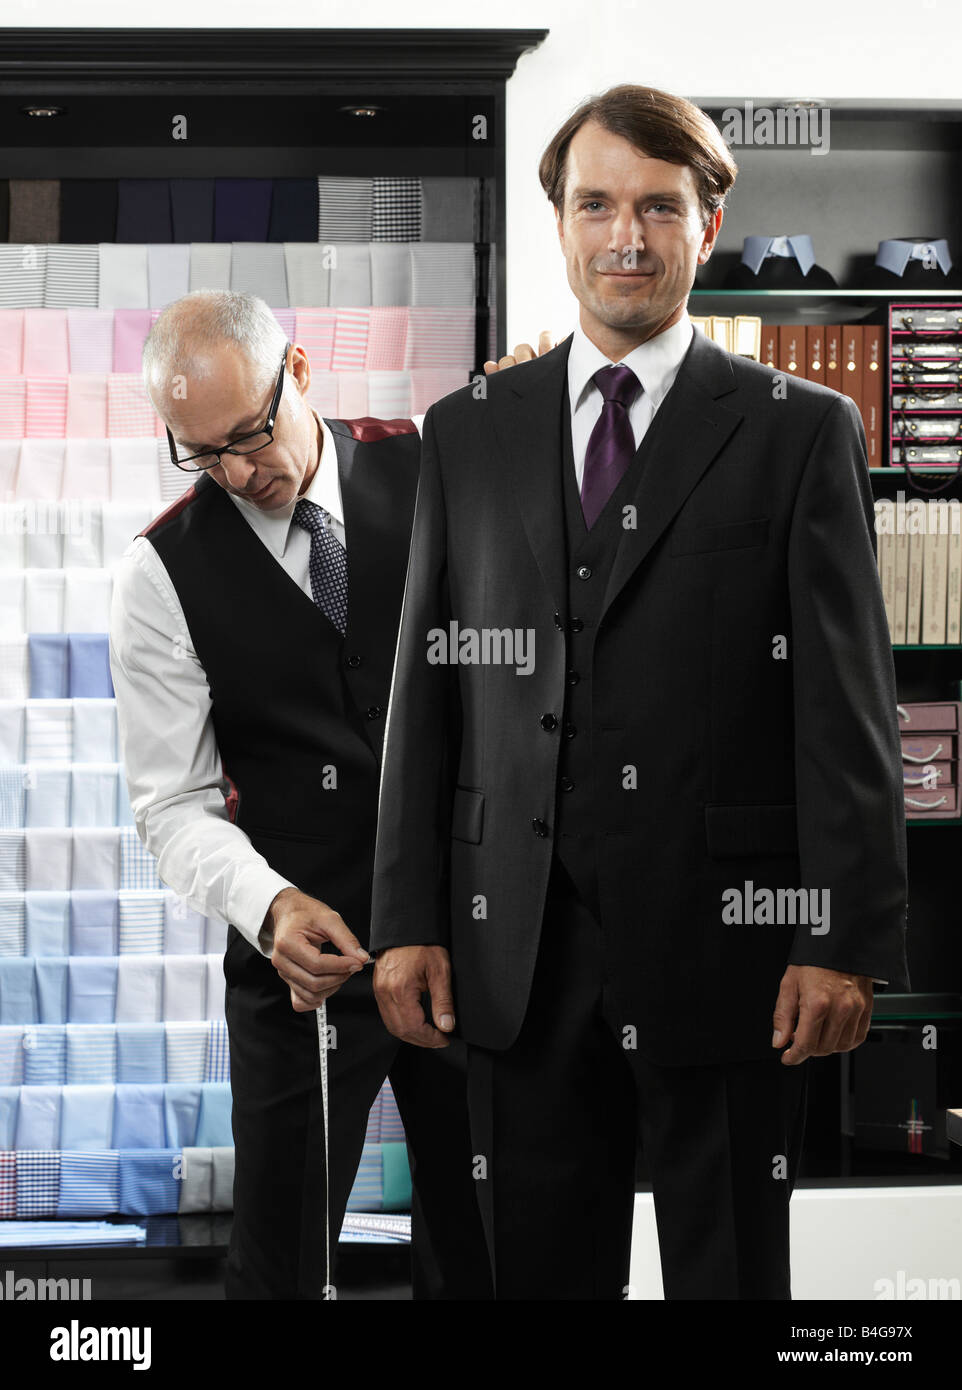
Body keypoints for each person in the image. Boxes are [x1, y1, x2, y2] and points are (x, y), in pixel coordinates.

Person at [369, 84, 909, 1300]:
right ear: (556, 221)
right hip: (516, 948)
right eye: (597, 204)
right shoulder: (467, 430)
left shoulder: (798, 431)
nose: (627, 235)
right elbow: (429, 689)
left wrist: (842, 940)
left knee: (730, 1283)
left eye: (659, 208)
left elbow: (846, 708)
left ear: (706, 227)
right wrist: (405, 916)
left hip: (734, 960)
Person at [108, 289, 497, 1299]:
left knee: (489, 1252)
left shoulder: (436, 468)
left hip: (471, 937)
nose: (241, 472)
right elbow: (171, 805)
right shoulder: (160, 575)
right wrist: (267, 904)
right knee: (279, 1266)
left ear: (304, 375)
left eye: (250, 433)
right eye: (203, 453)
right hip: (300, 967)